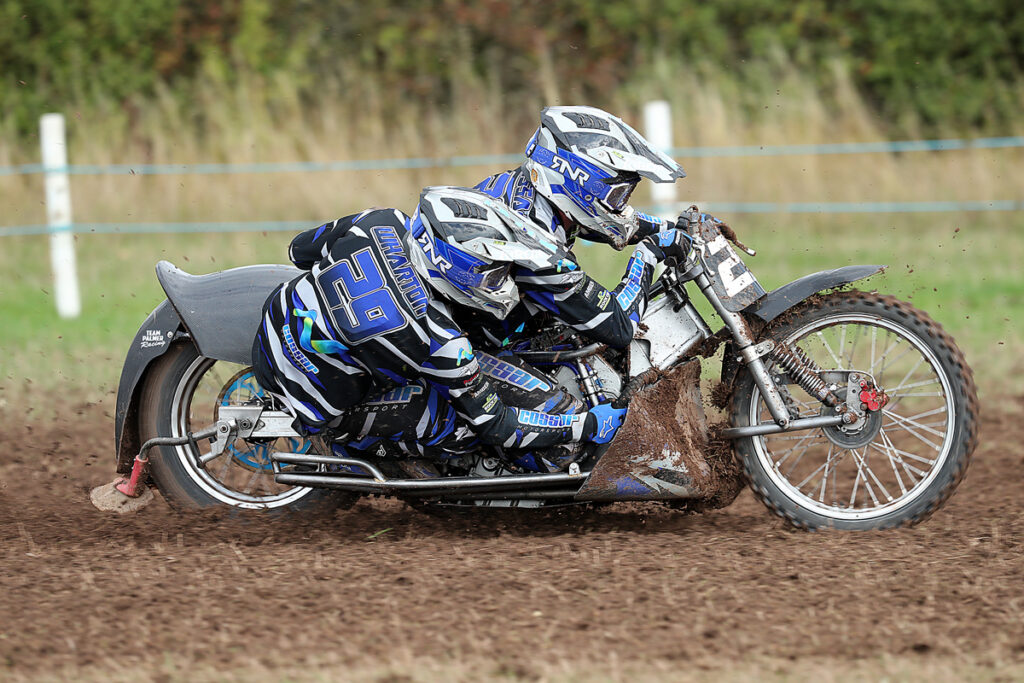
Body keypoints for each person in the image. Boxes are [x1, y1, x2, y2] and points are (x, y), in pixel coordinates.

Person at [251, 186, 628, 474]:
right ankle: (356, 449)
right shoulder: (440, 341)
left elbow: (299, 251)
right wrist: (587, 424)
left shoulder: (382, 221)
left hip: (273, 321)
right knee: (466, 431)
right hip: (320, 402)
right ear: (452, 267)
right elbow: (499, 426)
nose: (503, 284)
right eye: (494, 273)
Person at [461, 105, 700, 352]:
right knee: (573, 382)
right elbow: (619, 327)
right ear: (579, 181)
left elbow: (604, 223)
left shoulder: (529, 191)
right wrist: (648, 254)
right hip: (475, 355)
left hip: (497, 332)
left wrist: (672, 227)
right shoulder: (535, 241)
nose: (621, 205)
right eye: (617, 196)